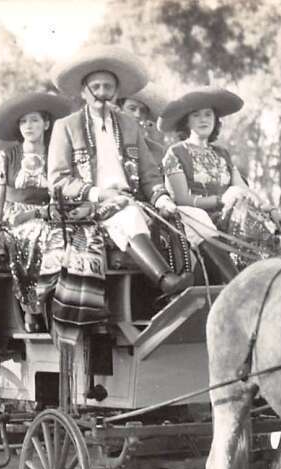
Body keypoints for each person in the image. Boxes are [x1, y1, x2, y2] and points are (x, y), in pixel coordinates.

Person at [49, 45, 193, 301]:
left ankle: (206, 286)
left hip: (131, 200)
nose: (102, 93)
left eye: (108, 87)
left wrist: (162, 198)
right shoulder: (66, 126)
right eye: (96, 86)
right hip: (87, 206)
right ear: (84, 91)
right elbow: (58, 181)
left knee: (190, 216)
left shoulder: (129, 125)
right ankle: (166, 281)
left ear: (116, 93)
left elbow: (149, 174)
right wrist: (99, 194)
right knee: (127, 214)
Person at [160, 87, 281, 280]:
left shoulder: (222, 153)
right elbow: (181, 199)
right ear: (186, 121)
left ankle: (266, 275)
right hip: (197, 219)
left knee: (256, 215)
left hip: (231, 215)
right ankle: (241, 279)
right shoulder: (175, 152)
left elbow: (244, 190)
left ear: (215, 120)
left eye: (208, 114)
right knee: (239, 212)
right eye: (196, 115)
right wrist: (220, 200)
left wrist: (271, 209)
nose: (203, 120)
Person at [0, 91, 74, 333]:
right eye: (23, 121)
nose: (28, 126)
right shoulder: (6, 157)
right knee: (34, 233)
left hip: (52, 212)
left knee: (68, 240)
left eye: (34, 120)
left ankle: (58, 306)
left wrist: (48, 212)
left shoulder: (58, 154)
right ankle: (31, 308)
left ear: (46, 124)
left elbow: (65, 194)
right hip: (16, 217)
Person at [118, 83, 170, 159]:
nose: (138, 115)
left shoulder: (156, 150)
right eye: (132, 109)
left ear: (147, 116)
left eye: (142, 111)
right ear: (120, 109)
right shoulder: (107, 137)